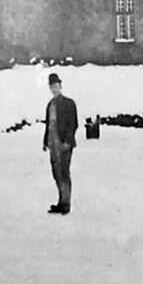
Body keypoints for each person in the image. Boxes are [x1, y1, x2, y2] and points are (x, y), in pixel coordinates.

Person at [43, 73, 78, 214]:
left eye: (56, 86)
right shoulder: (50, 105)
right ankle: (61, 201)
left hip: (64, 143)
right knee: (56, 173)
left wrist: (68, 141)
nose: (54, 89)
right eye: (52, 87)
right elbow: (48, 125)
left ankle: (66, 203)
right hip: (53, 143)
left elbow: (73, 124)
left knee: (64, 173)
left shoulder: (69, 103)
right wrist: (46, 141)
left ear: (60, 86)